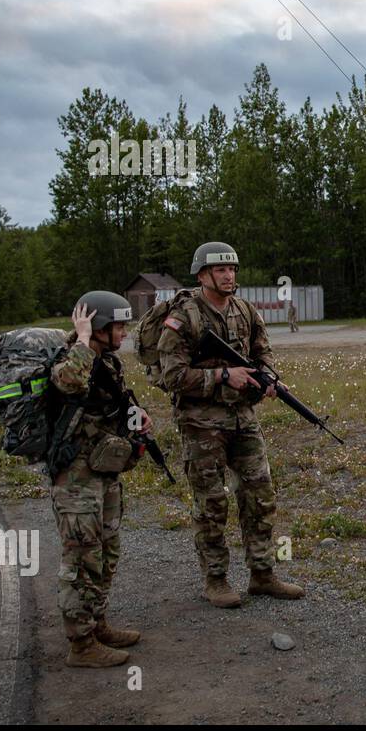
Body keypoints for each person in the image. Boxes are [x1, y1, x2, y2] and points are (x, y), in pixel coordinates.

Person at [155, 241, 304, 608]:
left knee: (260, 494)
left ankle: (263, 574)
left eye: (233, 269)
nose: (229, 275)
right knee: (211, 503)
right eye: (221, 270)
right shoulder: (184, 317)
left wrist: (269, 377)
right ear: (202, 275)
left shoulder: (245, 310)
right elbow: (171, 376)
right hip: (201, 424)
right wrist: (223, 376)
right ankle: (216, 579)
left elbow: (262, 351)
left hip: (243, 419)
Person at [48, 292, 146, 667]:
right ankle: (81, 644)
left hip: (102, 471)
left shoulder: (108, 362)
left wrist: (139, 419)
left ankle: (97, 622)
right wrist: (84, 339)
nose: (124, 332)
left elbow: (112, 405)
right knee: (82, 556)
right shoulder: (73, 356)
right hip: (76, 476)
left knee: (107, 551)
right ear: (99, 328)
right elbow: (68, 383)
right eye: (118, 326)